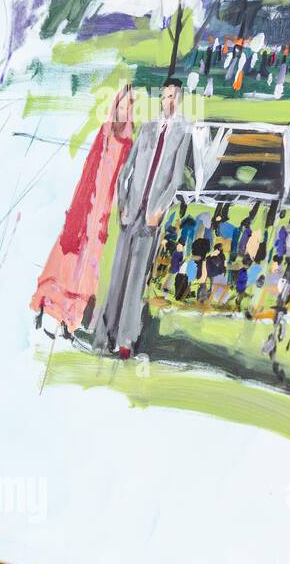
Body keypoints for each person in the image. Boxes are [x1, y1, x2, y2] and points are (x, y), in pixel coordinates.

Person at [93, 78, 193, 357]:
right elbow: (125, 171)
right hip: (131, 212)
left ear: (180, 99)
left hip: (151, 217)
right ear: (160, 98)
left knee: (137, 277)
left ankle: (125, 340)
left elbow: (174, 180)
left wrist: (158, 211)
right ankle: (104, 337)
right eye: (165, 96)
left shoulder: (183, 132)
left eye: (173, 96)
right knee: (117, 277)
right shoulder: (147, 129)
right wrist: (124, 204)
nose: (169, 101)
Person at [31, 83, 136, 336]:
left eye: (126, 108)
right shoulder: (105, 132)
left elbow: (124, 179)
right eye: (119, 107)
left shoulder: (129, 142)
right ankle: (47, 308)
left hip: (104, 208)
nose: (122, 112)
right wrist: (82, 201)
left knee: (88, 264)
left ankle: (70, 319)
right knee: (68, 254)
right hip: (88, 201)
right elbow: (90, 166)